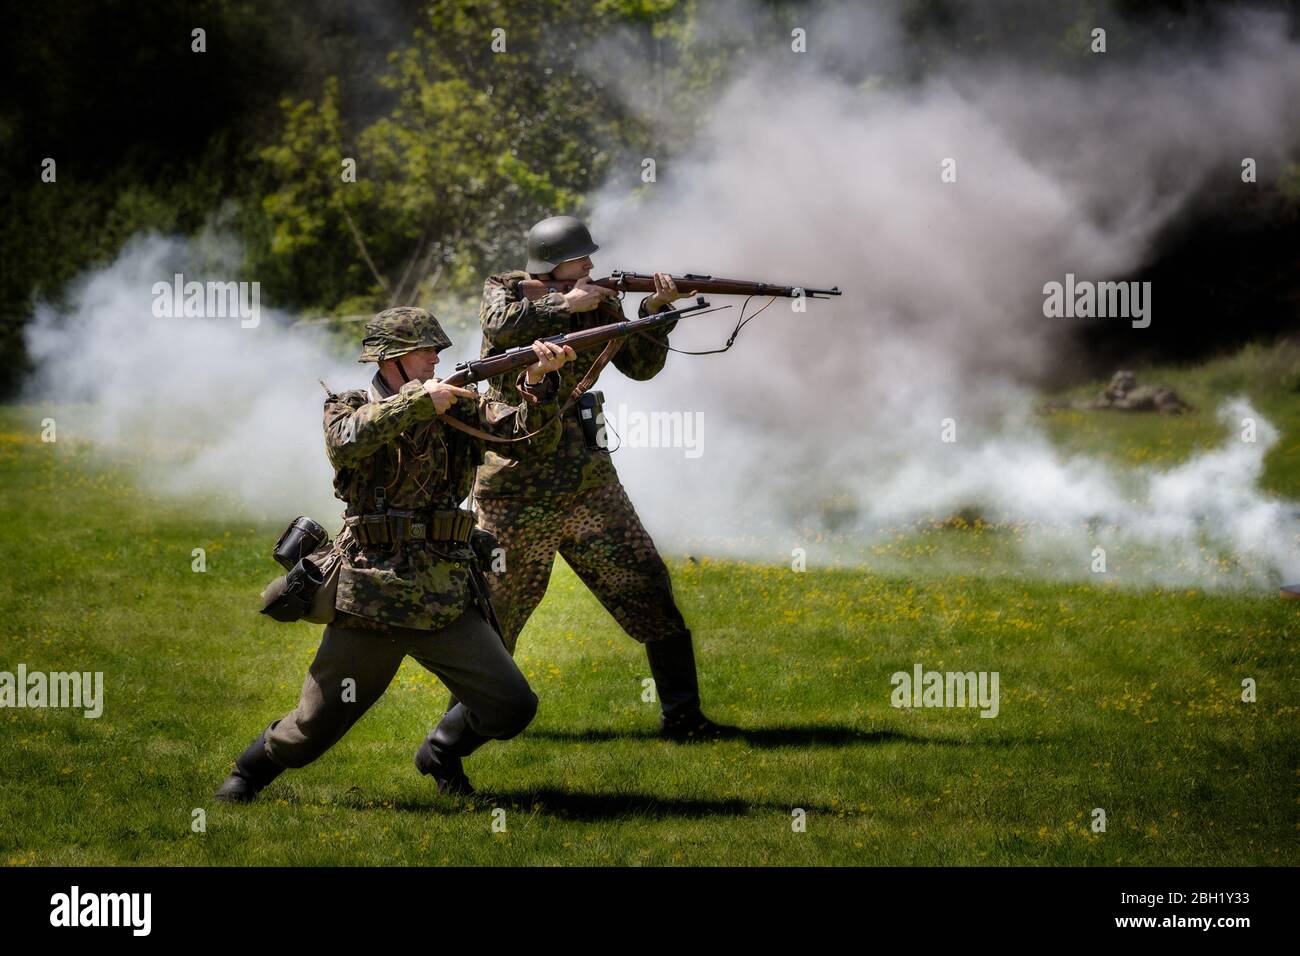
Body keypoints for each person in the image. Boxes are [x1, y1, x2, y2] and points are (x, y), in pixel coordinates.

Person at [214, 307, 576, 801]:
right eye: (425, 350)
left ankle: (441, 751)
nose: (436, 358)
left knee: (512, 706)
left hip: (444, 597)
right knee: (313, 728)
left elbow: (527, 441)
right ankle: (247, 775)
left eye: (437, 350)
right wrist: (420, 403)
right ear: (391, 360)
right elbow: (347, 442)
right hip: (371, 597)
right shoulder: (350, 404)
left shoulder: (459, 406)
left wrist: (538, 385)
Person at [471, 215, 729, 741]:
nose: (591, 265)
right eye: (580, 257)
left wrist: (655, 311)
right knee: (499, 611)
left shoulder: (603, 300)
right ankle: (465, 730)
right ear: (550, 263)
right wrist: (567, 305)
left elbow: (641, 366)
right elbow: (501, 327)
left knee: (648, 588)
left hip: (590, 482)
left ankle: (684, 719)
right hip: (516, 487)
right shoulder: (506, 291)